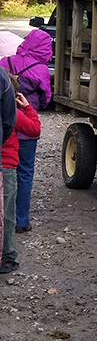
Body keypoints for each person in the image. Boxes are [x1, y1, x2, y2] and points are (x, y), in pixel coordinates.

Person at [0, 30, 52, 233]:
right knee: (25, 173)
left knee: (5, 172)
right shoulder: (41, 69)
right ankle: (21, 220)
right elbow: (46, 97)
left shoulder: (5, 61)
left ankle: (4, 218)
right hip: (27, 128)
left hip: (6, 126)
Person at [1, 81, 39, 273]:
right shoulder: (13, 113)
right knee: (7, 214)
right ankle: (7, 255)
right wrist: (28, 107)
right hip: (6, 166)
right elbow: (35, 129)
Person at [0, 67, 17, 260]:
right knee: (6, 210)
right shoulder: (2, 77)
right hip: (7, 164)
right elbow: (8, 121)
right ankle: (7, 255)